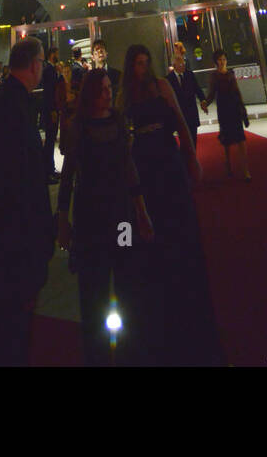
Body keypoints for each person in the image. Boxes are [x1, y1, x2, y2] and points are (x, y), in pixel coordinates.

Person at [120, 44, 223, 366]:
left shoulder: (161, 86)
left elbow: (179, 120)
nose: (142, 67)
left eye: (145, 62)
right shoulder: (128, 95)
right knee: (155, 222)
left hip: (167, 157)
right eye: (137, 63)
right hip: (145, 163)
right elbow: (124, 135)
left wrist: (191, 156)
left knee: (179, 220)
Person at [0, 37, 55, 367]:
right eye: (42, 62)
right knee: (10, 331)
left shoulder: (5, 101)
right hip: (13, 245)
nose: (43, 68)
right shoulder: (16, 107)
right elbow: (22, 183)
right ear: (34, 64)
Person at [57, 68, 153, 365]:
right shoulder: (79, 126)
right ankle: (96, 354)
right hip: (90, 219)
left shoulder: (117, 121)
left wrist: (141, 210)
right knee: (93, 289)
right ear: (91, 94)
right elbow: (68, 174)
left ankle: (129, 351)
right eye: (103, 89)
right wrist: (62, 217)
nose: (108, 93)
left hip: (120, 214)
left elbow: (128, 166)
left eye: (110, 87)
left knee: (126, 279)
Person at [202, 50, 251, 181]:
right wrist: (205, 102)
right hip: (224, 110)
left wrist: (243, 110)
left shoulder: (231, 74)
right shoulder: (214, 76)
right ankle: (228, 165)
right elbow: (212, 93)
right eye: (220, 59)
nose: (222, 61)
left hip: (234, 108)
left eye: (224, 59)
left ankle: (245, 170)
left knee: (241, 139)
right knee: (227, 141)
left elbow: (237, 92)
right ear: (216, 62)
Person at [167, 47, 204, 150]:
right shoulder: (168, 80)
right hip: (179, 116)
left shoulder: (190, 75)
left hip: (191, 114)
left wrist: (203, 100)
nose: (183, 65)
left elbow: (197, 89)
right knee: (184, 142)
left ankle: (193, 161)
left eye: (183, 63)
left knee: (193, 140)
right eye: (180, 64)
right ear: (174, 66)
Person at [40, 48, 61, 184]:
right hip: (50, 110)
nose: (58, 55)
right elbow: (49, 92)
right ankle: (47, 171)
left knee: (50, 140)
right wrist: (52, 109)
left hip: (51, 109)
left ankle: (50, 168)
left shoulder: (50, 69)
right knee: (49, 141)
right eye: (56, 53)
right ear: (52, 55)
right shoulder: (49, 70)